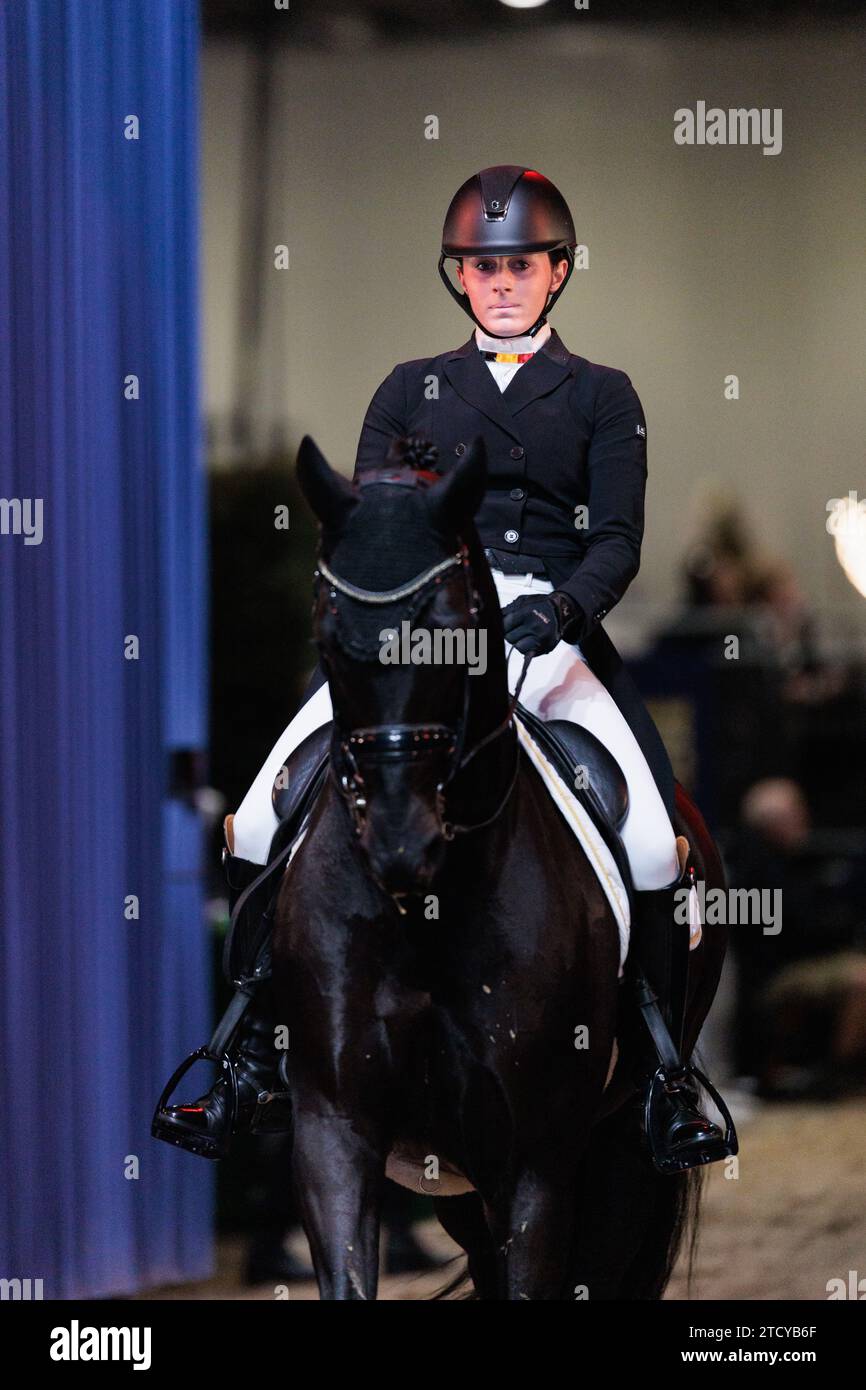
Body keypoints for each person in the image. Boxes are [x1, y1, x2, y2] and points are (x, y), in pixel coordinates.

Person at [154, 165, 732, 1169]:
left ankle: (660, 1072)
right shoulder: (406, 388)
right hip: (417, 631)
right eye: (479, 266)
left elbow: (618, 538)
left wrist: (560, 613)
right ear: (456, 277)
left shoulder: (600, 394)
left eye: (517, 265)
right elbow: (373, 524)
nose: (499, 282)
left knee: (646, 837)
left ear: (554, 273)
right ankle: (244, 1057)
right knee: (253, 818)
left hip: (545, 630)